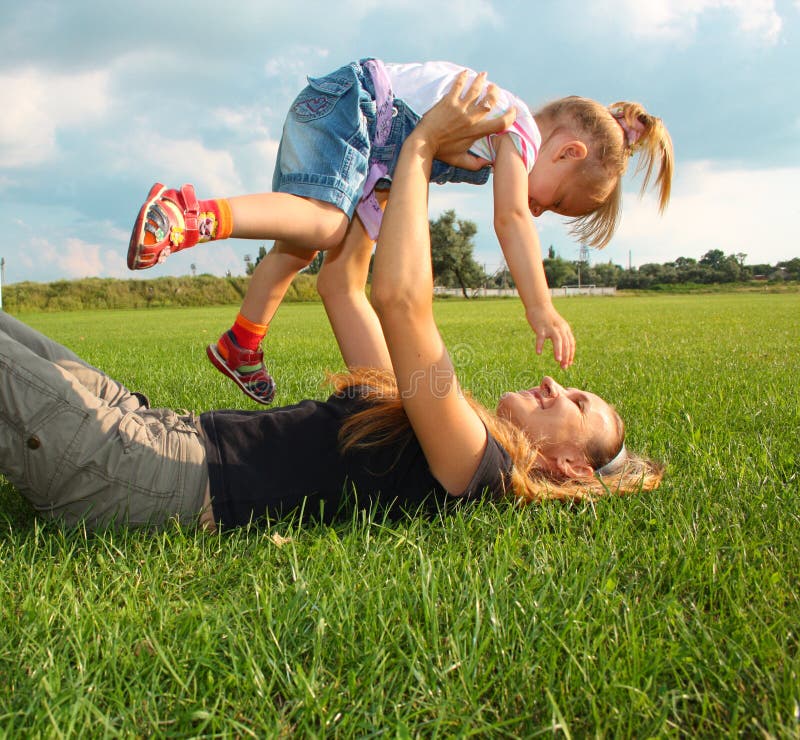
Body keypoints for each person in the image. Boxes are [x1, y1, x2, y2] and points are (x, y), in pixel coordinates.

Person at [0, 75, 663, 533]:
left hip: (143, 476)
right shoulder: (435, 407)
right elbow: (342, 287)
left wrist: (422, 147)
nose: (556, 384)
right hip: (151, 429)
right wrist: (377, 181)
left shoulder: (474, 463)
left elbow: (401, 302)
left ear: (568, 465)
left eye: (576, 404)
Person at [126, 59, 674, 404]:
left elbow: (428, 159)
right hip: (361, 111)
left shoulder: (501, 132)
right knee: (322, 223)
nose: (538, 212)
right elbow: (508, 219)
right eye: (553, 200)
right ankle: (188, 214)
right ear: (565, 151)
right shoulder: (519, 131)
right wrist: (541, 306)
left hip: (373, 149)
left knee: (306, 251)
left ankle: (244, 342)